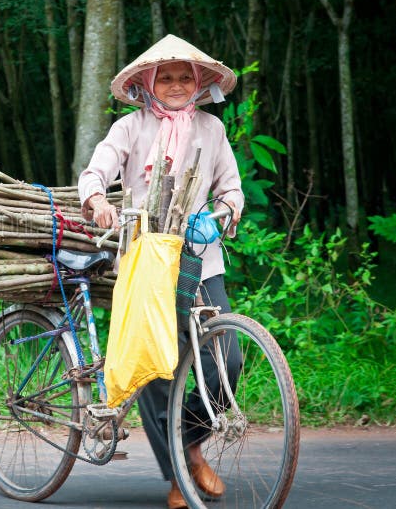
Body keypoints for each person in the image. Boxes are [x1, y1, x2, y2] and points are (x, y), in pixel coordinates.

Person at [77, 34, 244, 509]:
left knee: (226, 362)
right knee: (158, 371)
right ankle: (177, 473)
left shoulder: (212, 130)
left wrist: (223, 212)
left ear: (198, 82)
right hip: (146, 263)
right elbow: (96, 172)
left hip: (199, 259)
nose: (175, 84)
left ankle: (189, 440)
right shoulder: (131, 128)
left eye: (184, 76)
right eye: (165, 77)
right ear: (149, 83)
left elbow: (231, 188)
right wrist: (96, 202)